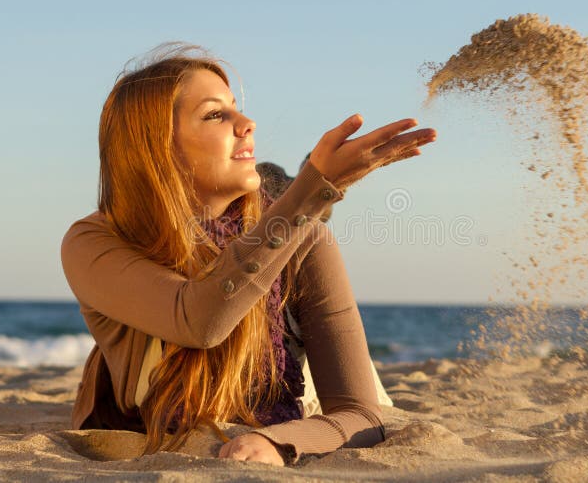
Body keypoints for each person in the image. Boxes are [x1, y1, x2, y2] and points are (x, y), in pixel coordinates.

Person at [60, 44, 437, 467]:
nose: (248, 123)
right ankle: (288, 187)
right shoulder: (95, 241)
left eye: (236, 108)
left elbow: (361, 414)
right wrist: (310, 195)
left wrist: (280, 441)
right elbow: (198, 322)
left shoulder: (307, 238)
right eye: (215, 114)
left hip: (297, 387)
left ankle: (284, 189)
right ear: (156, 148)